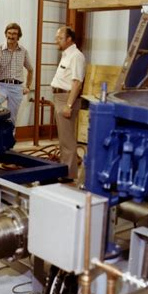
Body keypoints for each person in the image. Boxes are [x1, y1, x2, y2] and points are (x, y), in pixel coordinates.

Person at [51, 26, 86, 180]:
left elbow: (77, 83)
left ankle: (68, 174)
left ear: (69, 39)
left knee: (68, 140)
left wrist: (69, 105)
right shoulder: (66, 55)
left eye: (60, 38)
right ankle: (64, 169)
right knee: (63, 139)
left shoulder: (76, 56)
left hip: (66, 99)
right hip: (60, 98)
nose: (56, 41)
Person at [0, 22, 33, 126]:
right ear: (6, 34)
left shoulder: (23, 51)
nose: (11, 36)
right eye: (9, 33)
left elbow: (30, 70)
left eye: (14, 34)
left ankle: (10, 135)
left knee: (12, 117)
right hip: (1, 86)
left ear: (18, 36)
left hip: (17, 88)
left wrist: (28, 86)